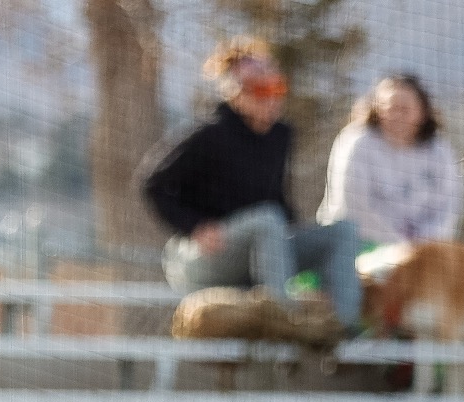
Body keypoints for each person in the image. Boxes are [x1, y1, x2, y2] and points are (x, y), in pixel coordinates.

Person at [141, 37, 361, 334]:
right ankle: (284, 321)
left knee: (342, 231)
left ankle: (340, 328)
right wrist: (194, 226)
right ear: (237, 94)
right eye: (261, 91)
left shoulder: (281, 136)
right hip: (205, 259)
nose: (271, 99)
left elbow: (278, 198)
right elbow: (152, 184)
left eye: (277, 89)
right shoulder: (210, 134)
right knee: (267, 219)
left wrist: (298, 229)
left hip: (263, 251)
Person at [319, 75, 461, 248]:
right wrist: (398, 245)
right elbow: (354, 206)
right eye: (390, 108)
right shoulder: (357, 142)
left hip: (422, 251)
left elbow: (447, 209)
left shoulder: (439, 150)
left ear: (423, 112)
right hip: (358, 244)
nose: (397, 116)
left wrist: (421, 245)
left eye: (405, 109)